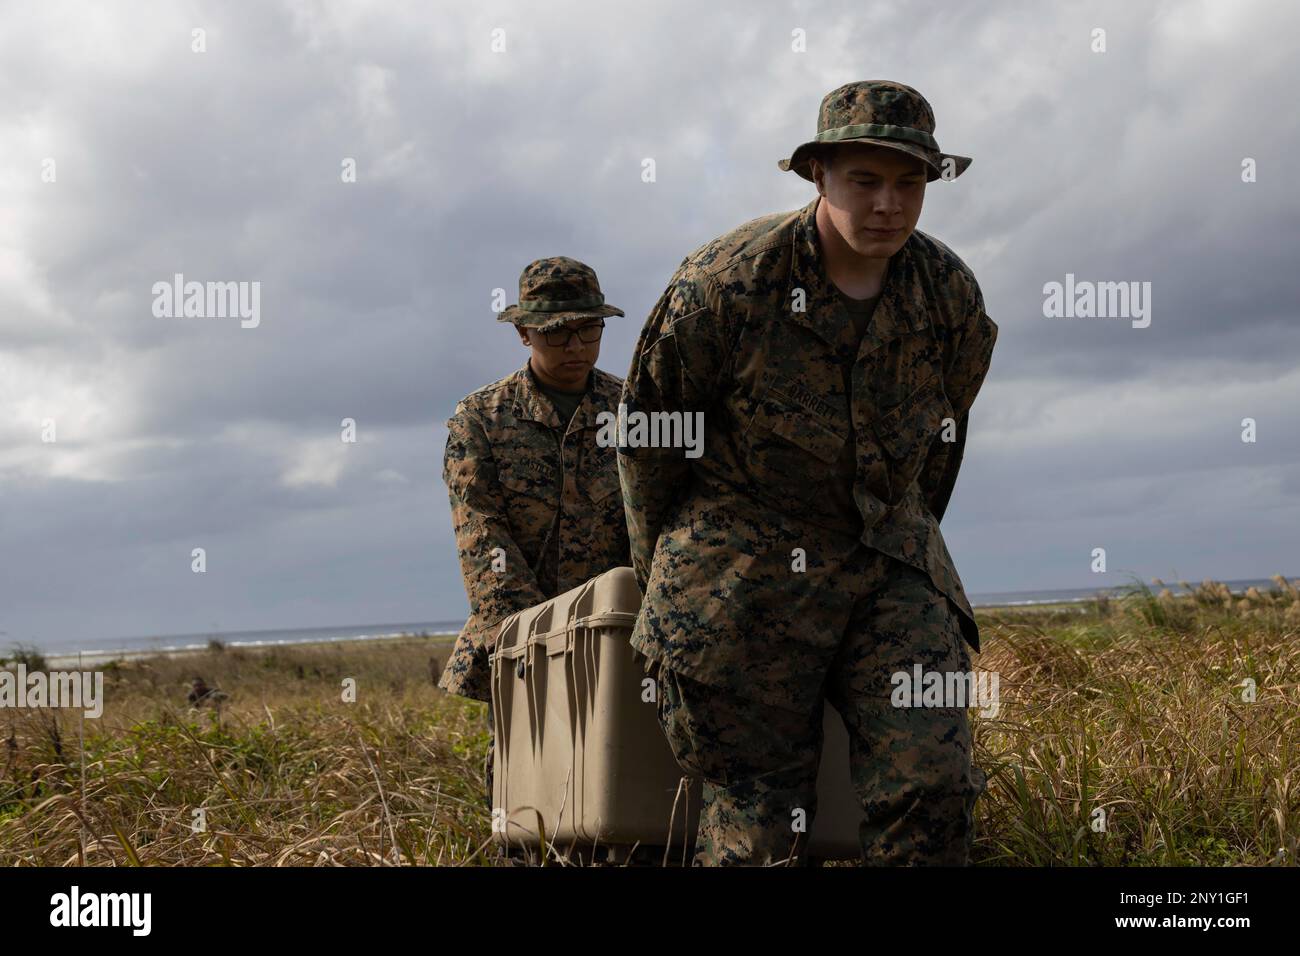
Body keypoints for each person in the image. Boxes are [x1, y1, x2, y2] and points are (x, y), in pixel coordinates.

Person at [619, 81, 999, 865]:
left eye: (910, 183)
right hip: (740, 572)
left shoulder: (948, 293)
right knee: (761, 823)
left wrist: (911, 545)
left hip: (888, 559)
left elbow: (942, 440)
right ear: (818, 176)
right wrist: (668, 582)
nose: (889, 204)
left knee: (934, 786)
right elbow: (650, 441)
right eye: (865, 180)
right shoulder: (726, 284)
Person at [437, 256, 632, 810]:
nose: (577, 347)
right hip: (520, 629)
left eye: (589, 329)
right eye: (556, 333)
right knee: (527, 783)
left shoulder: (633, 409)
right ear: (524, 333)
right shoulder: (479, 419)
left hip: (616, 625)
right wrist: (528, 634)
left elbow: (659, 516)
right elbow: (481, 532)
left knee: (617, 775)